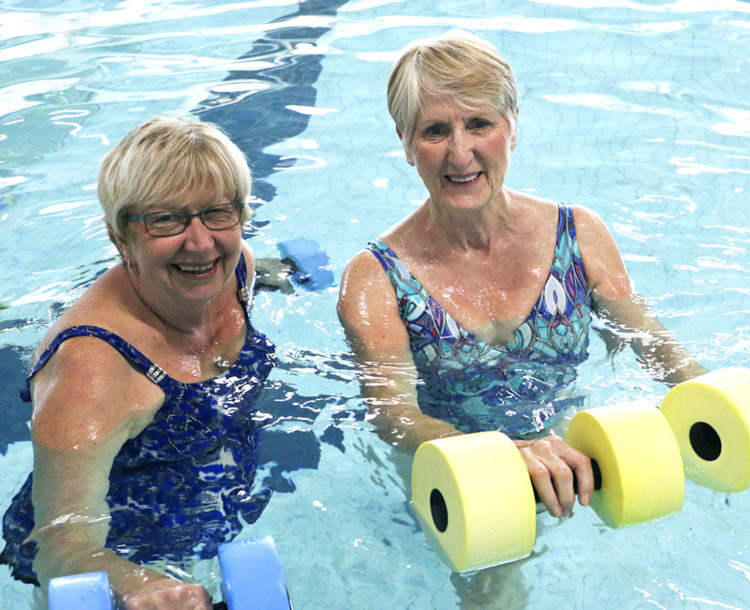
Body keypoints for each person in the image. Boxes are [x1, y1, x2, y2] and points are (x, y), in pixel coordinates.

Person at [337, 30, 706, 521]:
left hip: (570, 443)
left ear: (512, 128)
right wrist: (506, 453)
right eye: (434, 131)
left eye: (479, 123)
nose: (460, 152)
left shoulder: (579, 235)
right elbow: (394, 418)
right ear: (406, 144)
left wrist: (712, 390)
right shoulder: (375, 279)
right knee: (495, 587)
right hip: (456, 468)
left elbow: (652, 344)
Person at [1, 116, 282, 609]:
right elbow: (58, 547)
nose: (200, 244)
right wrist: (141, 584)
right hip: (115, 549)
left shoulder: (238, 269)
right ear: (119, 237)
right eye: (165, 220)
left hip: (202, 498)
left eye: (218, 212)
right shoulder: (93, 364)